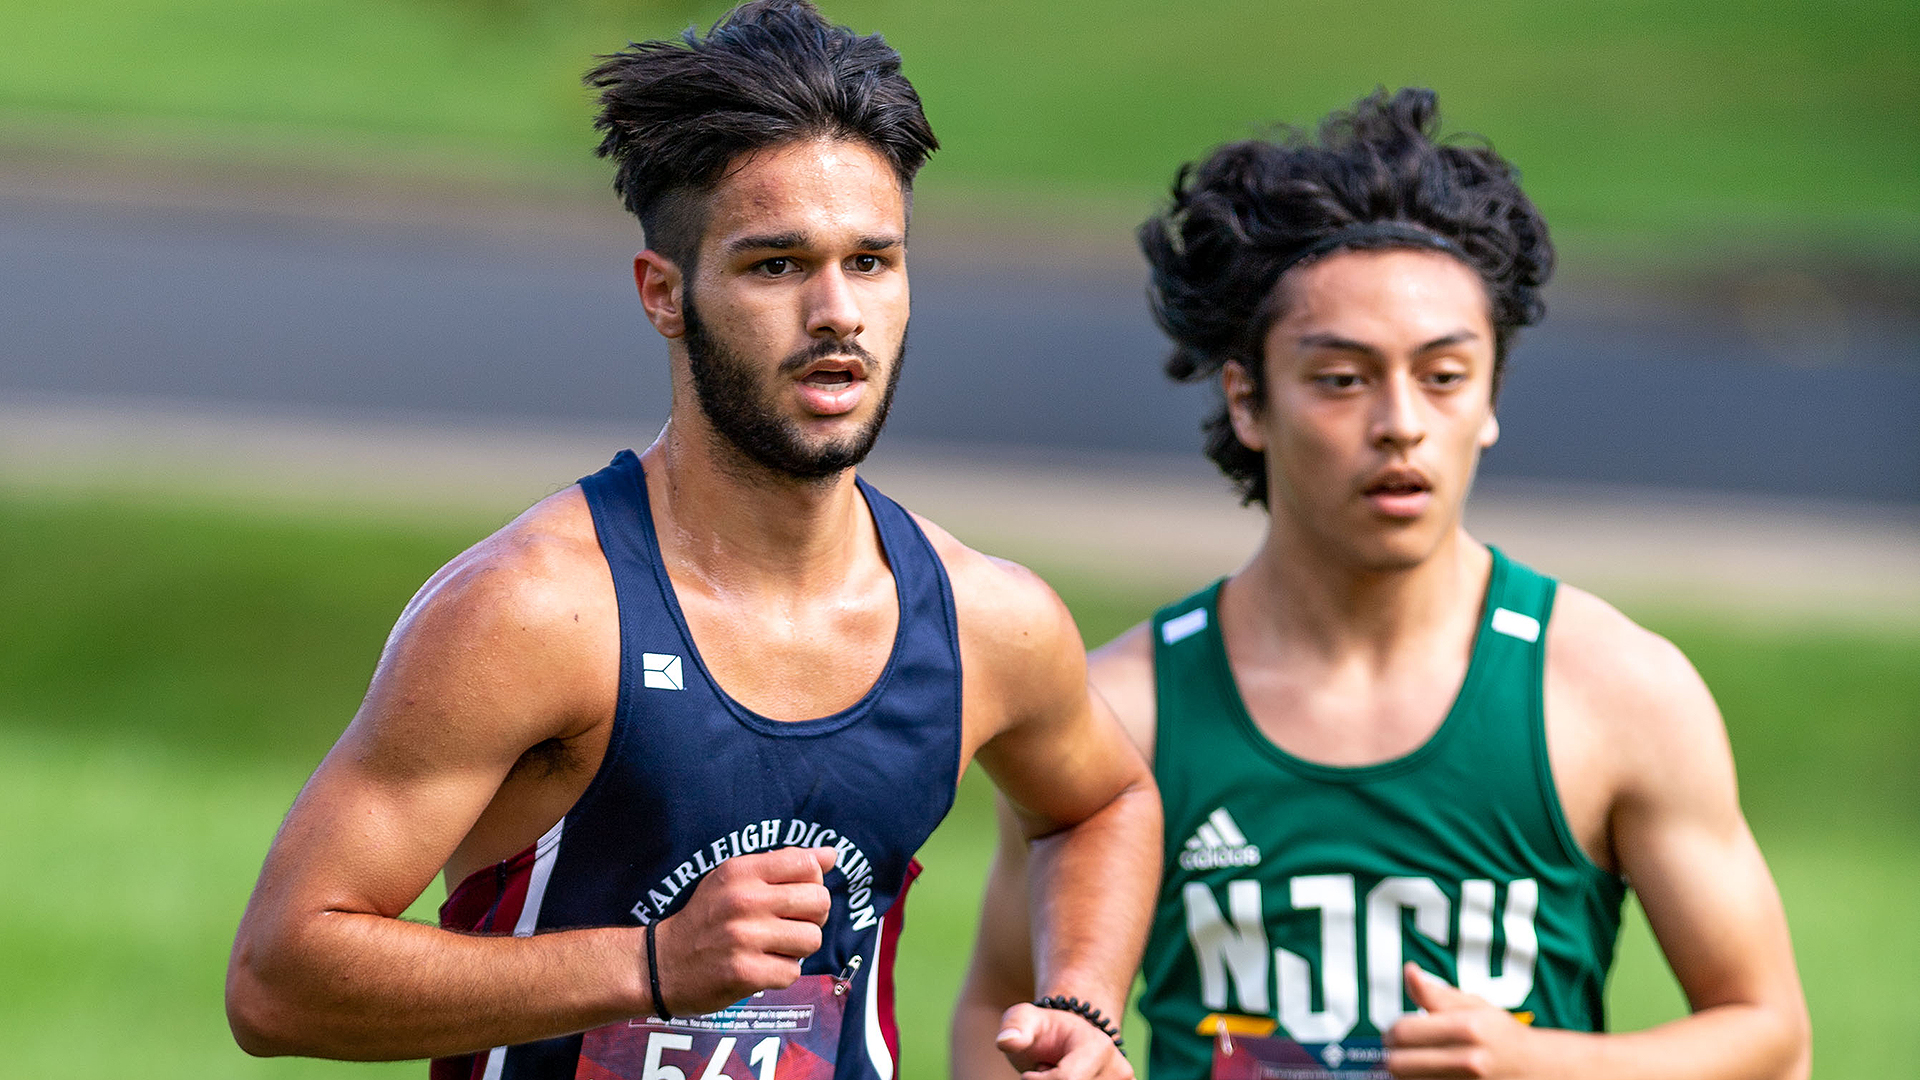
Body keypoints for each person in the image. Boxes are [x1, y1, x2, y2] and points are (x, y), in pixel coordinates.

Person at [224, 4, 1158, 1079]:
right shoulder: (534, 612)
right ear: (664, 294)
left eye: (872, 262)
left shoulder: (987, 620)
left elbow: (1103, 799)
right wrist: (654, 965)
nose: (837, 312)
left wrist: (1084, 1004)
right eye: (775, 267)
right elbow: (280, 979)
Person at [952, 88, 1809, 1080]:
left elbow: (1771, 1036)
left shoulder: (1617, 694)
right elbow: (996, 1007)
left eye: (1444, 375)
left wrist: (1542, 1067)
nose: (1401, 422)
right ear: (1249, 399)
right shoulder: (1123, 713)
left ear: (1490, 397)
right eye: (1343, 378)